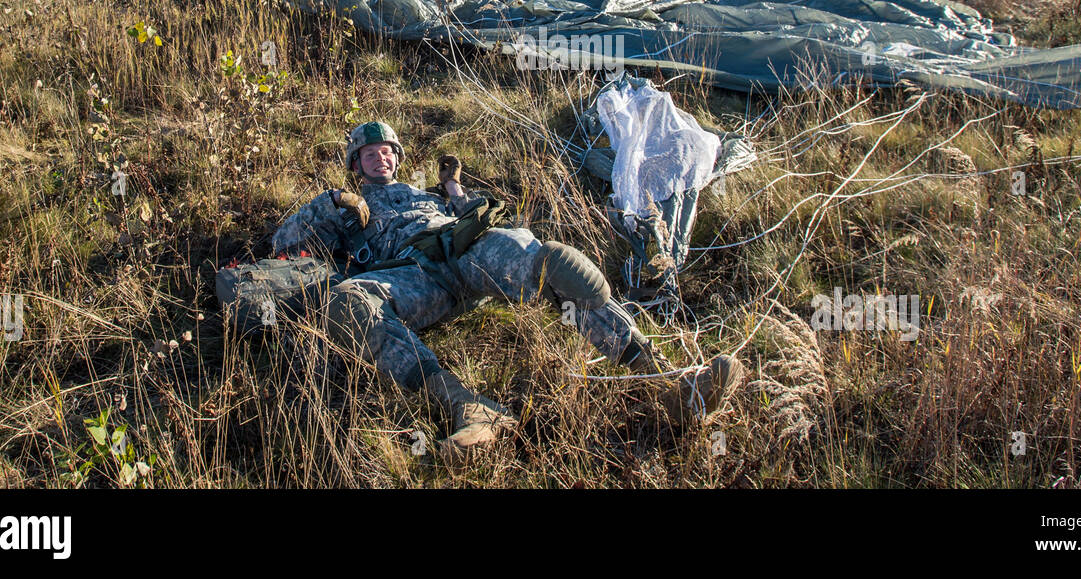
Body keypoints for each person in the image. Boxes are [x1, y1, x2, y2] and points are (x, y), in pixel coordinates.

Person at [271, 120, 743, 456]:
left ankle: (668, 383)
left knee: (557, 265)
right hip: (411, 274)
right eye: (370, 154)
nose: (382, 158)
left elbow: (472, 214)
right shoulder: (343, 209)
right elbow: (283, 242)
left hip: (464, 249)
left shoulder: (423, 194)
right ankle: (469, 408)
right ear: (356, 164)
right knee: (349, 302)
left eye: (389, 151)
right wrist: (332, 201)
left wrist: (453, 190)